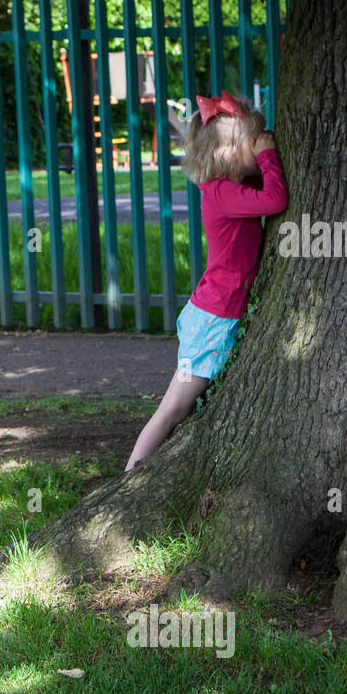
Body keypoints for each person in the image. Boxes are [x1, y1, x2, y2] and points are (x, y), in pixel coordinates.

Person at [125, 90, 288, 471]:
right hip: (213, 319)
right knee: (174, 409)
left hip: (213, 313)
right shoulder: (225, 194)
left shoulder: (226, 191)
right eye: (254, 140)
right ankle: (131, 475)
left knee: (180, 407)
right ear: (230, 154)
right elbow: (276, 200)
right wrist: (269, 156)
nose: (263, 143)